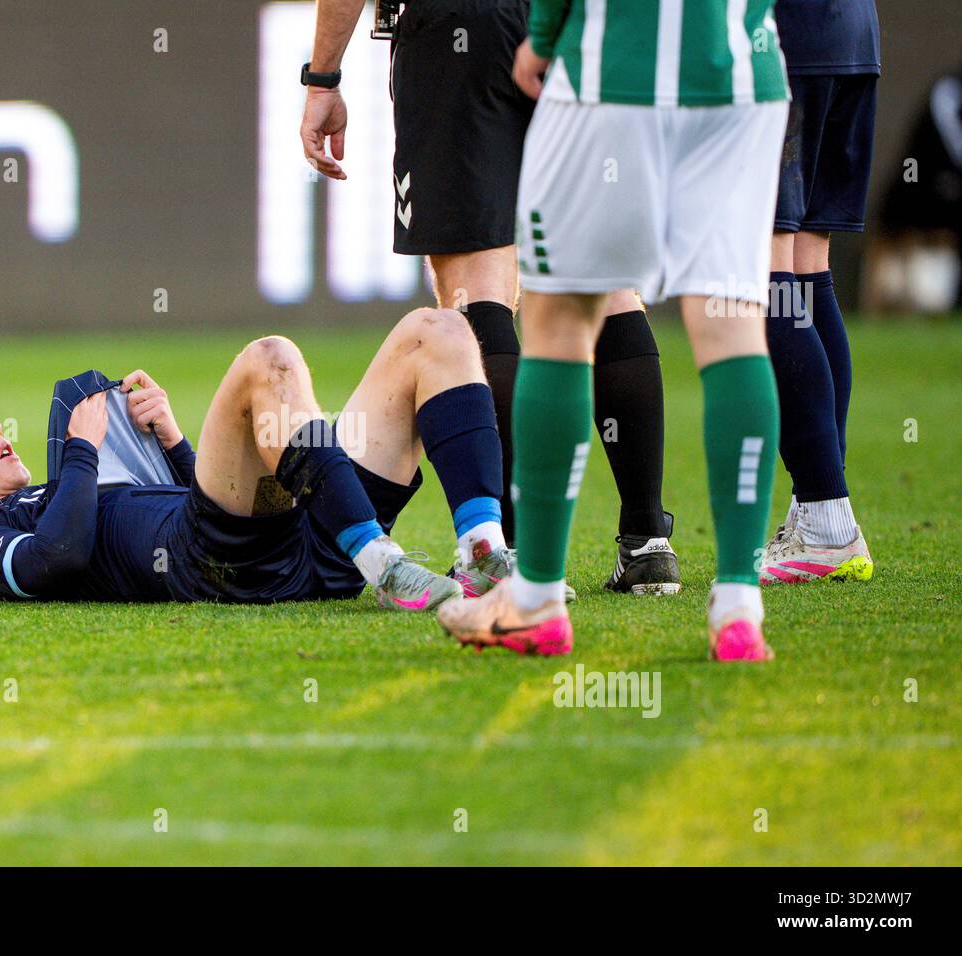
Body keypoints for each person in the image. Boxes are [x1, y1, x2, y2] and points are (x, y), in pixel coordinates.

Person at [439, 0, 790, 661]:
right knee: (732, 323)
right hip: (743, 77)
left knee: (560, 317)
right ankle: (740, 605)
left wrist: (542, 38)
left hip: (610, 70)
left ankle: (536, 596)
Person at [299, 0, 680, 595]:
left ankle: (514, 551)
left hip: (461, 27)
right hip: (578, 28)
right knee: (604, 286)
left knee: (478, 291)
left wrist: (322, 77)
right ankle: (647, 541)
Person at [0, 309, 514, 609]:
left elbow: (199, 498)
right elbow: (59, 557)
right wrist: (80, 451)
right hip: (232, 564)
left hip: (300, 530)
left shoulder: (61, 491)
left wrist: (176, 443)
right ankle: (383, 564)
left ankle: (481, 550)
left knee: (437, 333)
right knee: (270, 359)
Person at [759, 0, 880, 585]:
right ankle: (818, 509)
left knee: (769, 278)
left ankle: (826, 517)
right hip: (853, 35)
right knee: (807, 267)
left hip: (786, 43)